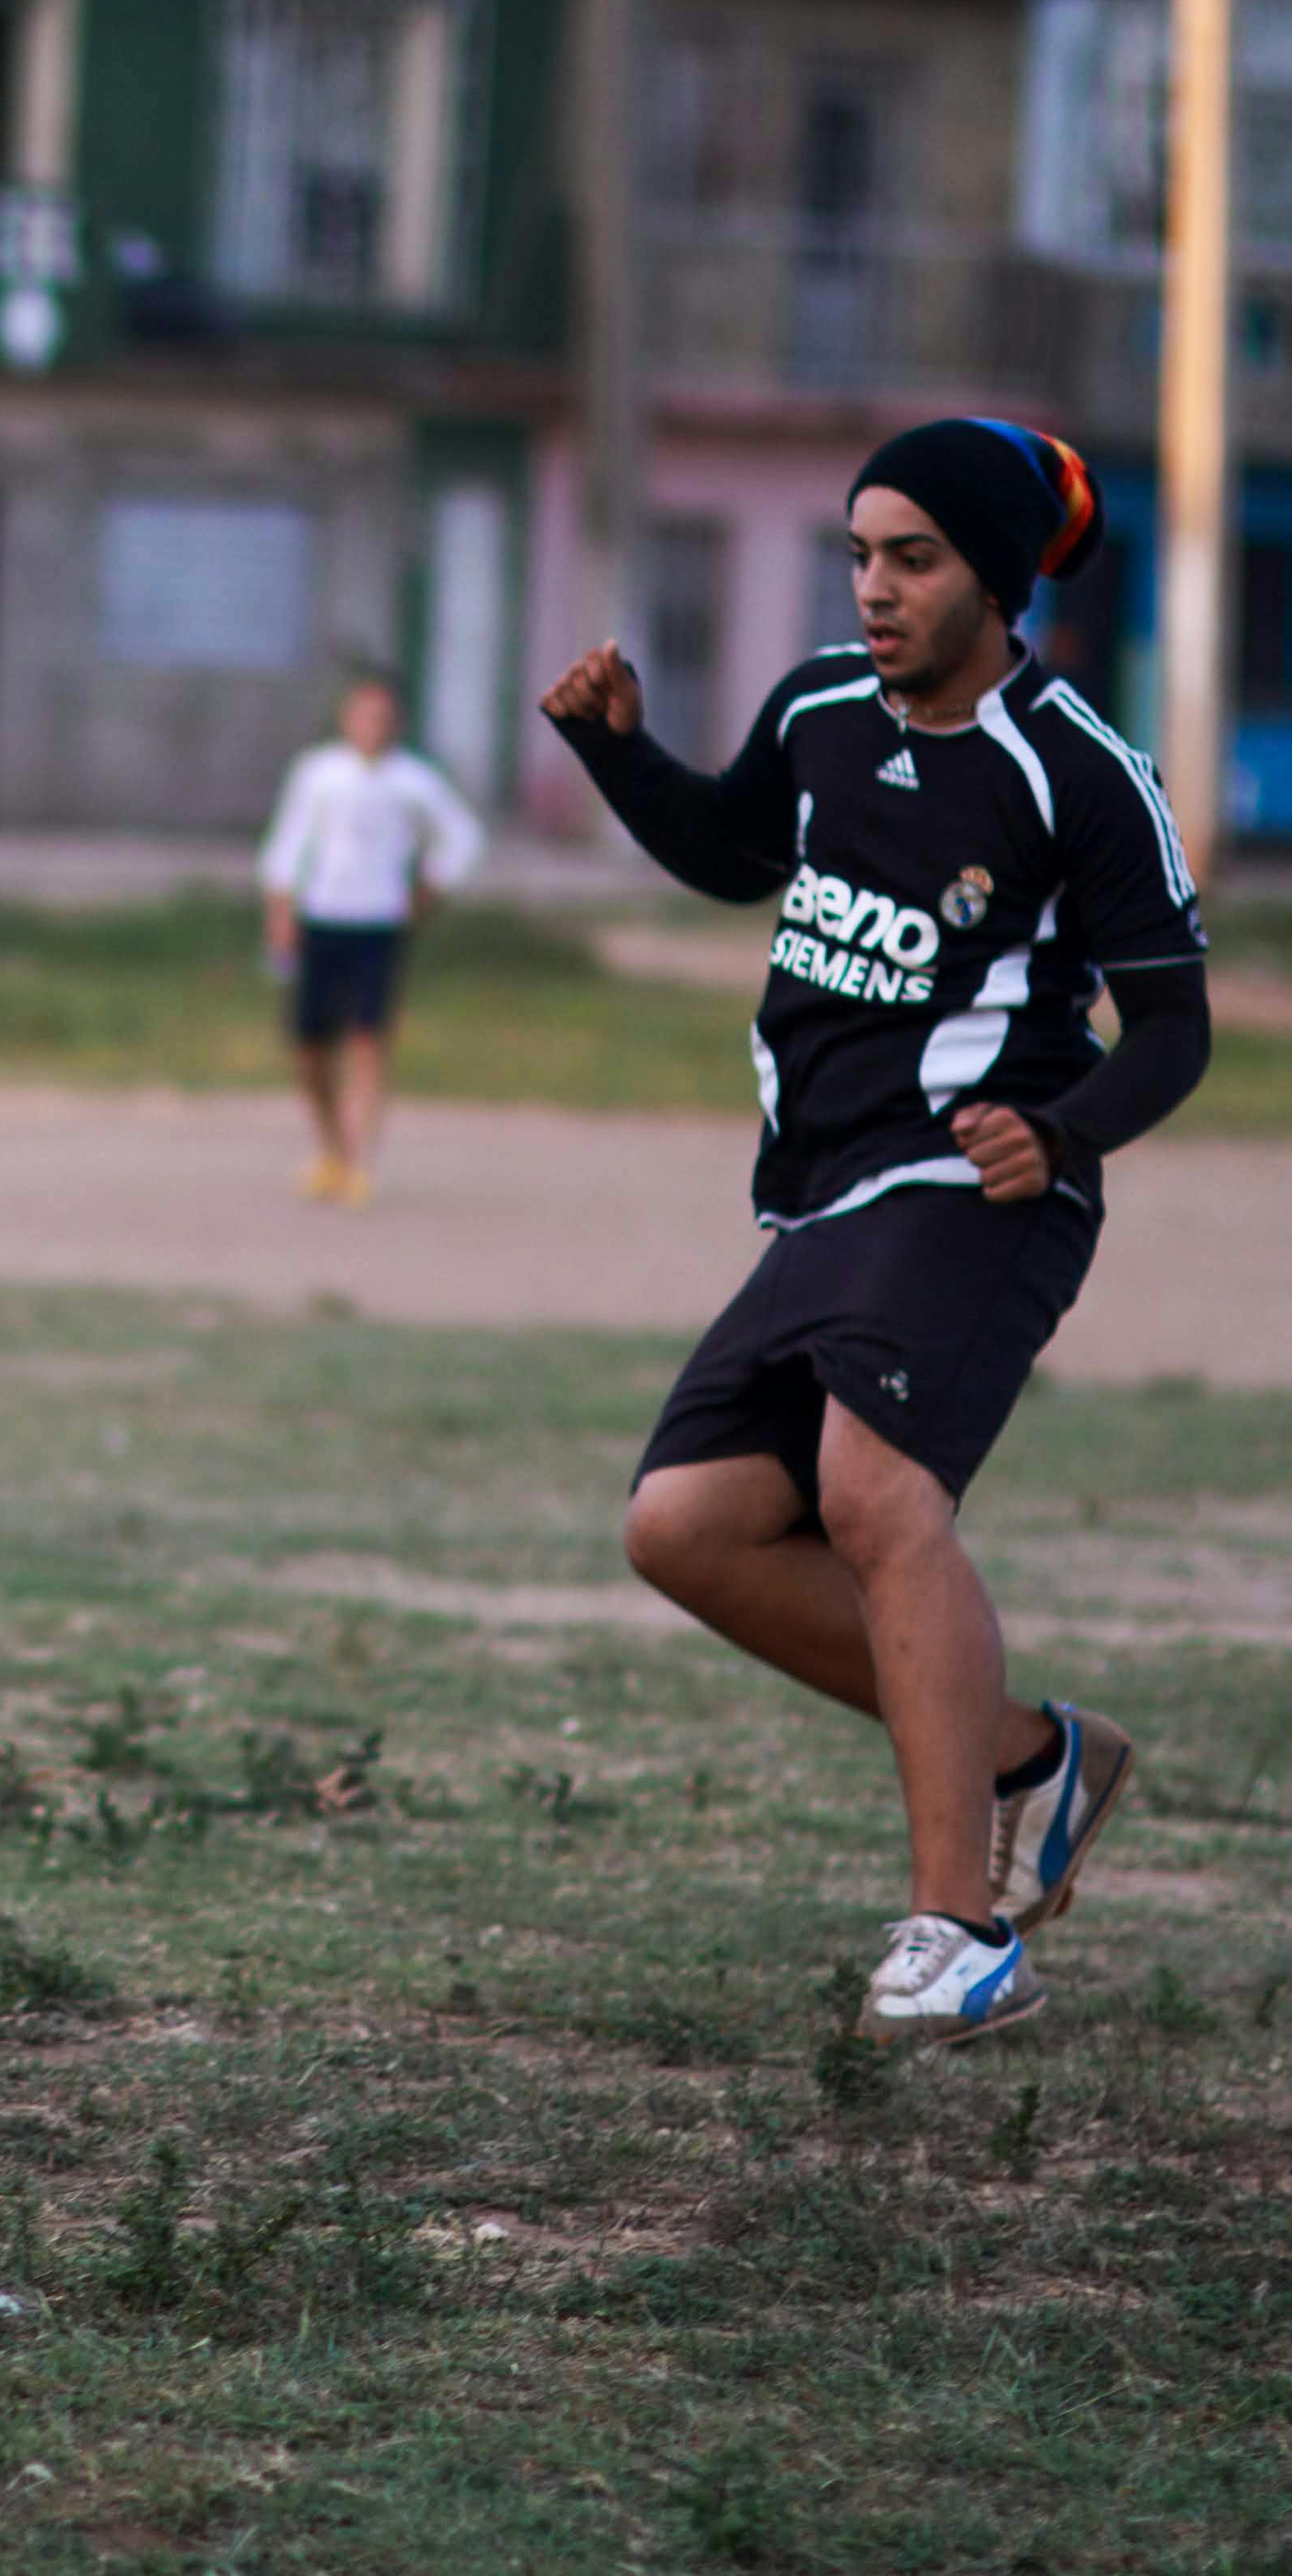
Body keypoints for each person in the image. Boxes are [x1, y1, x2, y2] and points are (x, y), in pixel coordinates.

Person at [543, 418, 1209, 2046]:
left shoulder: (1079, 771)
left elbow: (1176, 1031)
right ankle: (1028, 1761)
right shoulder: (821, 710)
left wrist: (1057, 1131)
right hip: (826, 1189)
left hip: (981, 1191)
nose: (874, 589)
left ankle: (962, 1930)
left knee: (869, 1488)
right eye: (858, 554)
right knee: (681, 1528)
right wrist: (623, 755)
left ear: (992, 574)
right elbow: (735, 853)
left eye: (911, 558)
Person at [258, 671, 483, 1208]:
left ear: (395, 725)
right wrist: (280, 906)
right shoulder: (317, 773)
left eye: (382, 718)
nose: (371, 727)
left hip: (378, 923)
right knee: (310, 1048)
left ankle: (359, 1161)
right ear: (346, 719)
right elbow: (288, 841)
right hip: (322, 918)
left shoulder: (413, 781)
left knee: (367, 1041)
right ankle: (331, 1149)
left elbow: (462, 837)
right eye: (363, 715)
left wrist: (427, 890)